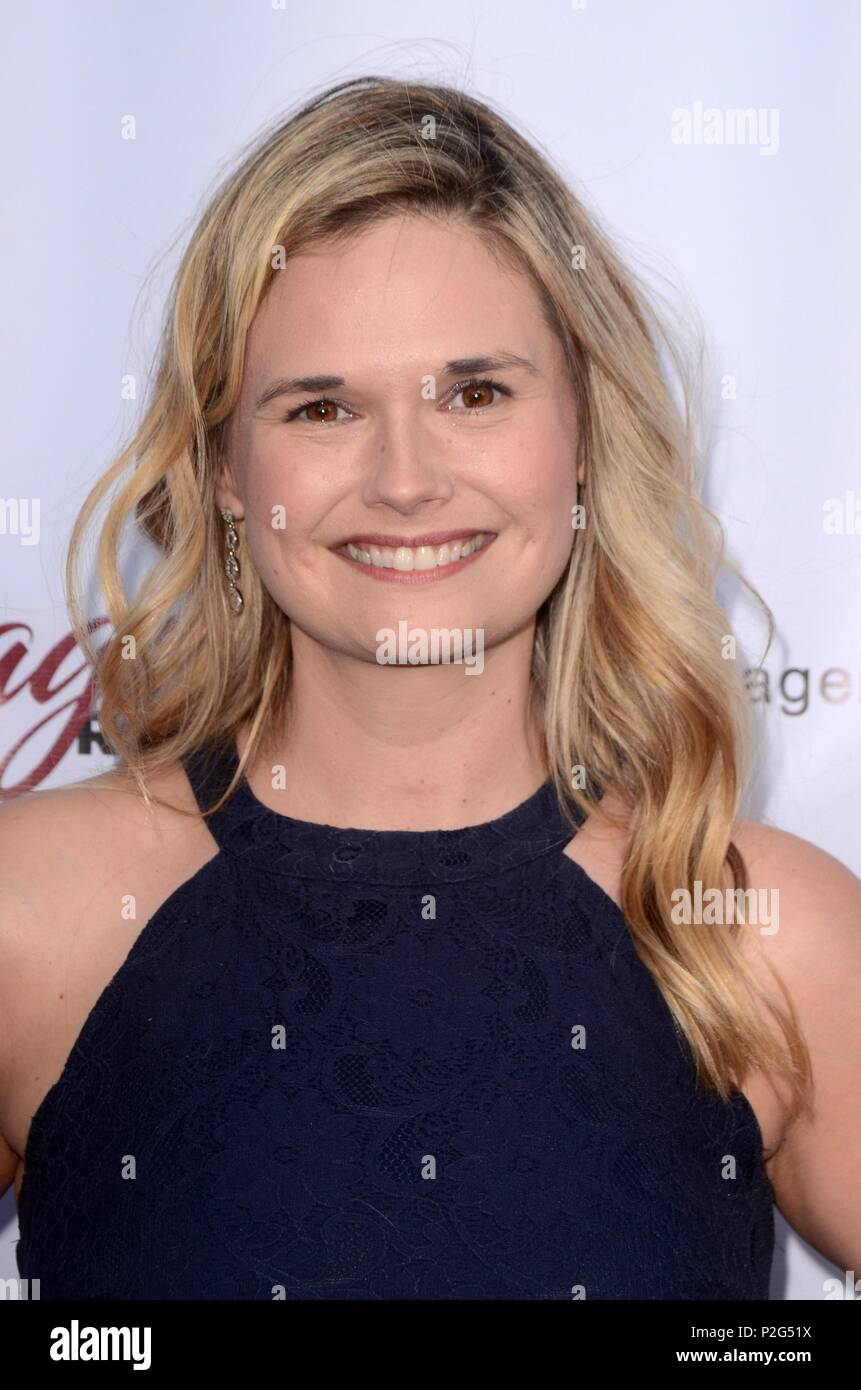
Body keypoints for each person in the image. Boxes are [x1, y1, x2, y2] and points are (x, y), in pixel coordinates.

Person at [1, 75, 859, 1300]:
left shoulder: (767, 938)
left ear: (584, 436)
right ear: (227, 470)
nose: (406, 479)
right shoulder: (27, 914)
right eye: (322, 406)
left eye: (475, 393)